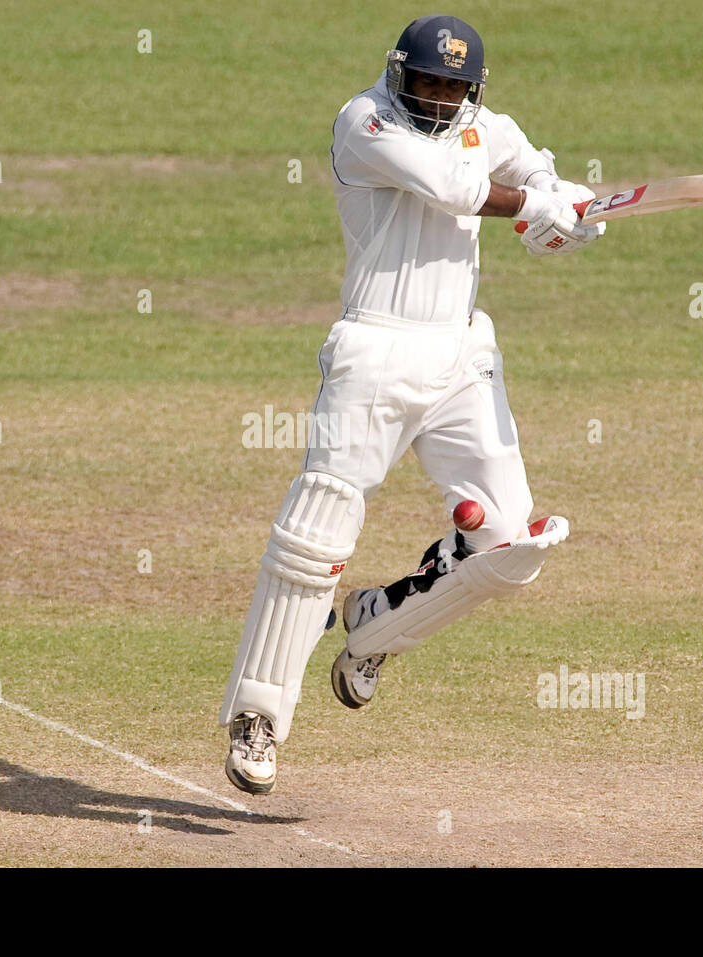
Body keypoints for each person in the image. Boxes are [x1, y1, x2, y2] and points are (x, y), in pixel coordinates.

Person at [219, 14, 603, 794]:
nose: (437, 98)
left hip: (462, 356)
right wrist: (534, 208)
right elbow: (453, 187)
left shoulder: (485, 126)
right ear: (399, 74)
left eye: (453, 87)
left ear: (472, 90)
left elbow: (536, 174)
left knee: (509, 543)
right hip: (374, 352)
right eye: (426, 81)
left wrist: (566, 214)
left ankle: (375, 629)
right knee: (315, 532)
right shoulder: (363, 121)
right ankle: (257, 716)